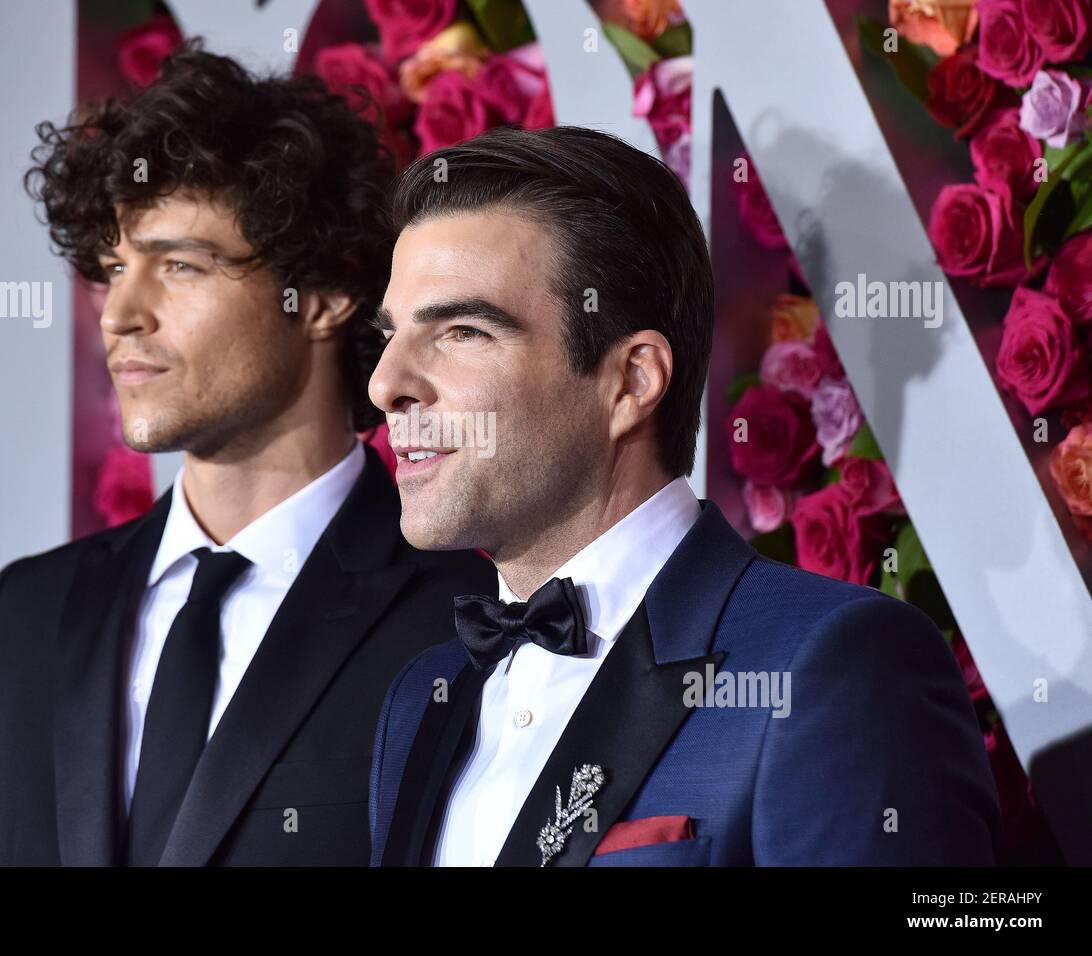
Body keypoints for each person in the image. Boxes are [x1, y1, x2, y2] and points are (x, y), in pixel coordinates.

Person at [0, 44, 494, 867]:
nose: (121, 313)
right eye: (114, 268)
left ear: (326, 296)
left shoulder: (468, 619)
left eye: (180, 266)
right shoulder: (28, 613)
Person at [366, 125, 1000, 866]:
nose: (386, 385)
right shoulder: (421, 700)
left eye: (464, 332)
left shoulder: (833, 667)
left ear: (632, 381)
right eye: (390, 335)